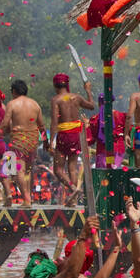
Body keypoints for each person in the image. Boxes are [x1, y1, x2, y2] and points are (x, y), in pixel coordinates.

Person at [49, 72, 96, 204]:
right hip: (76, 135)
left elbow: (54, 123)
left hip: (64, 135)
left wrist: (51, 141)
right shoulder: (76, 97)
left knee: (58, 169)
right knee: (72, 166)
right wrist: (88, 91)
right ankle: (73, 200)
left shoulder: (56, 100)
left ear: (55, 85)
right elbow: (92, 105)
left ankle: (73, 188)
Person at [0, 79, 44, 208]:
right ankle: (29, 198)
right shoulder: (35, 105)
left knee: (19, 170)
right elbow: (42, 126)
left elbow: (5, 123)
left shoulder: (12, 104)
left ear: (14, 91)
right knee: (28, 171)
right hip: (32, 141)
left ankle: (26, 200)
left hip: (18, 141)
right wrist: (46, 142)